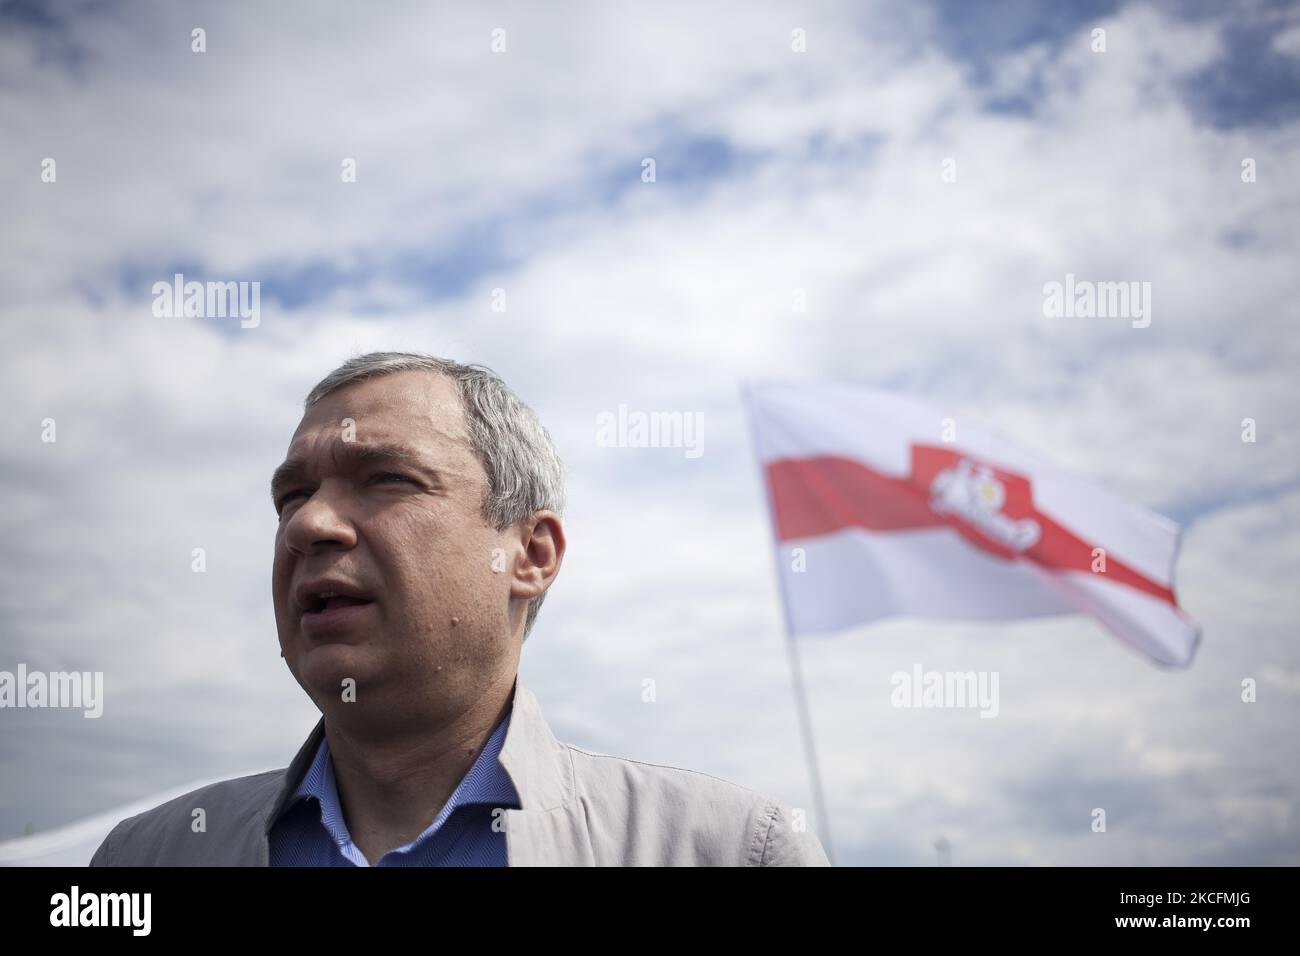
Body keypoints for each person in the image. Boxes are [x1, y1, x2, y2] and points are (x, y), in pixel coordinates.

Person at [89, 352, 830, 866]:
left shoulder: (728, 851)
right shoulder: (144, 858)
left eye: (386, 479)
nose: (308, 525)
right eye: (291, 496)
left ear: (531, 555)